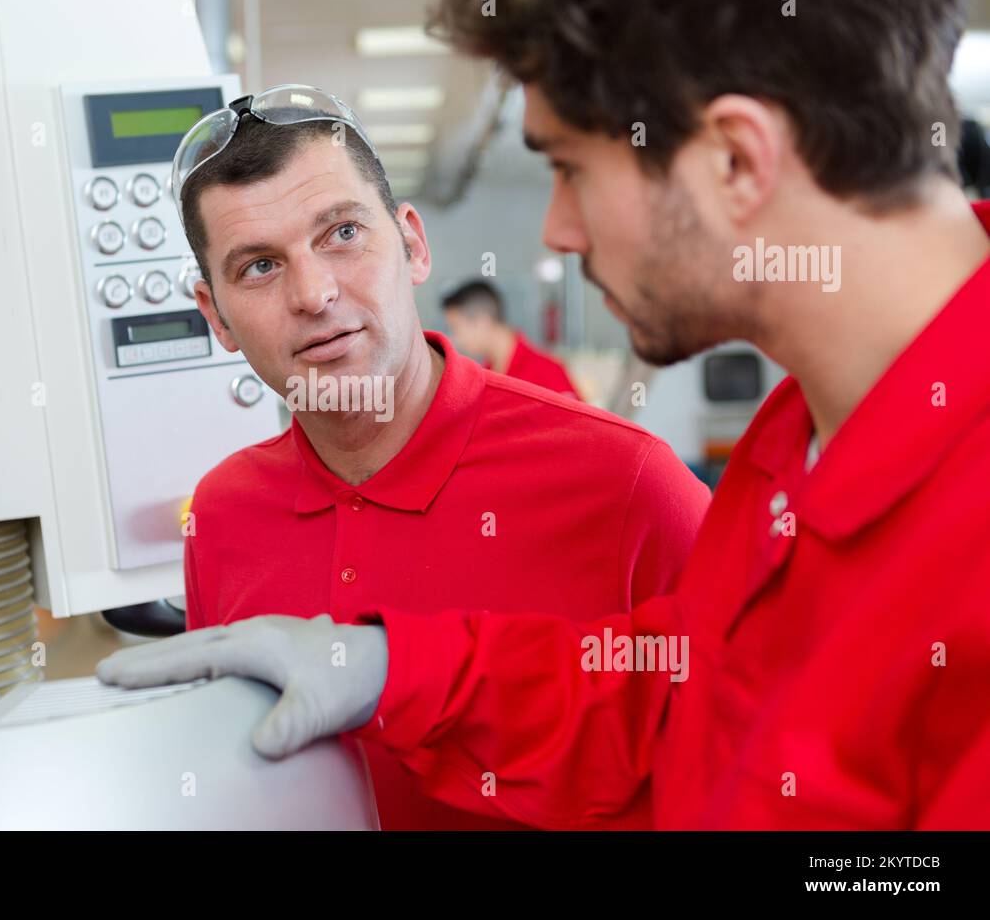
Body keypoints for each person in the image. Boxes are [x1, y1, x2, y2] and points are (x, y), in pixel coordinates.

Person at [98, 0, 990, 829]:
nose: (557, 228)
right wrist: (391, 670)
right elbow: (678, 704)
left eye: (569, 167)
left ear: (735, 159)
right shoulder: (795, 446)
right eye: (260, 267)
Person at [121, 85, 709, 829]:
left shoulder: (628, 485)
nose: (315, 292)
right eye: (260, 267)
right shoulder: (223, 513)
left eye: (341, 233)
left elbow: (766, 749)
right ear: (217, 318)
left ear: (413, 244)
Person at [441, 278, 580, 398]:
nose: (455, 339)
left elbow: (579, 426)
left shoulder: (547, 371)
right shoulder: (486, 375)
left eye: (456, 328)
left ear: (481, 322)